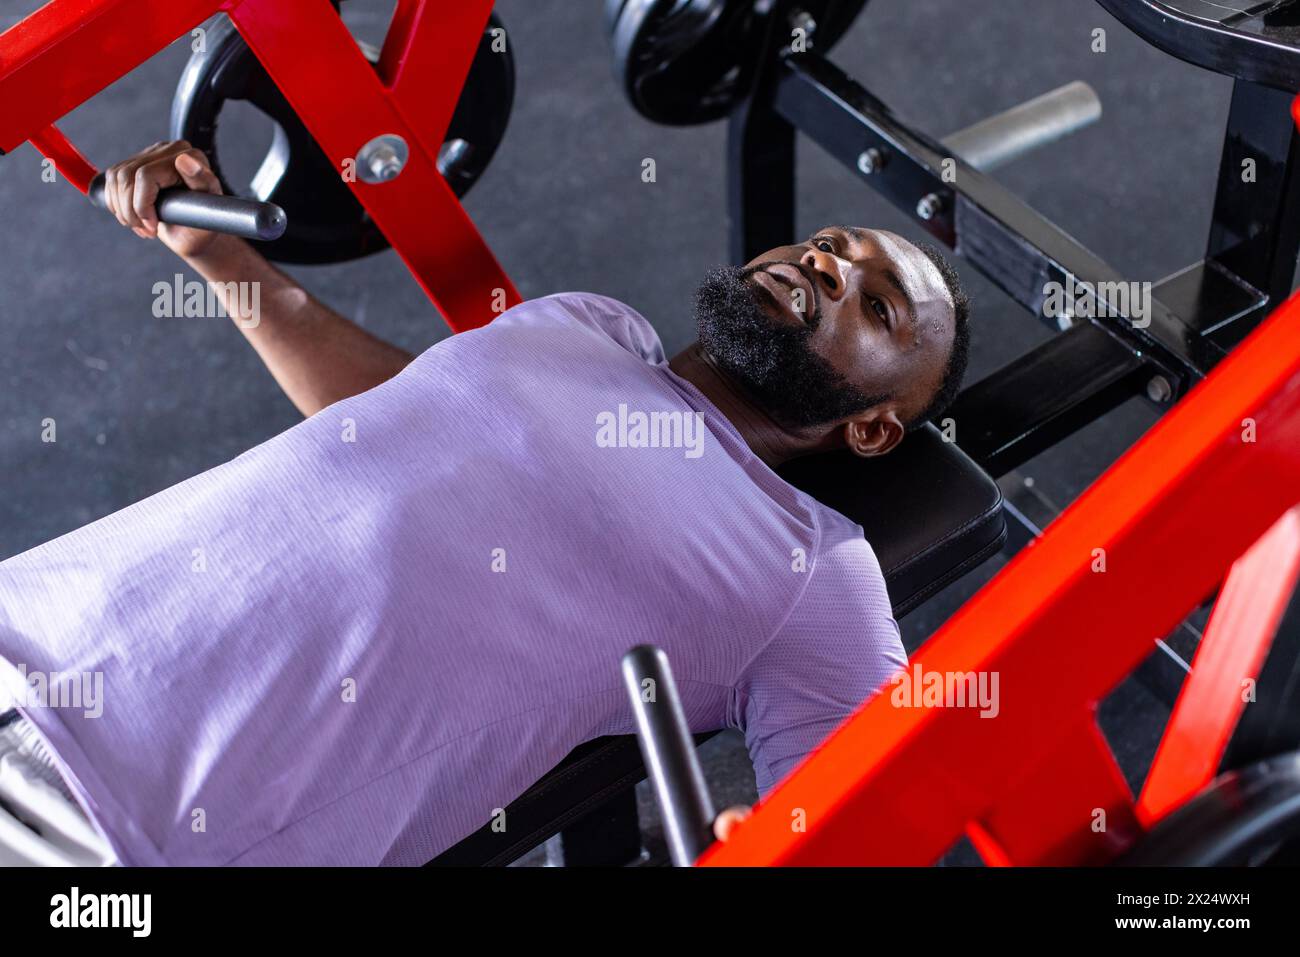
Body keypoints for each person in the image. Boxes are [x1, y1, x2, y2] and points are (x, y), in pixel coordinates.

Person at [0, 141, 970, 866]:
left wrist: (772, 847)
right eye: (829, 244)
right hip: (30, 621)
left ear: (876, 428)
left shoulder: (807, 570)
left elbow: (859, 819)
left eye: (877, 307)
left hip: (118, 826)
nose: (829, 265)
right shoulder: (586, 324)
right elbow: (393, 410)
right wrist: (222, 258)